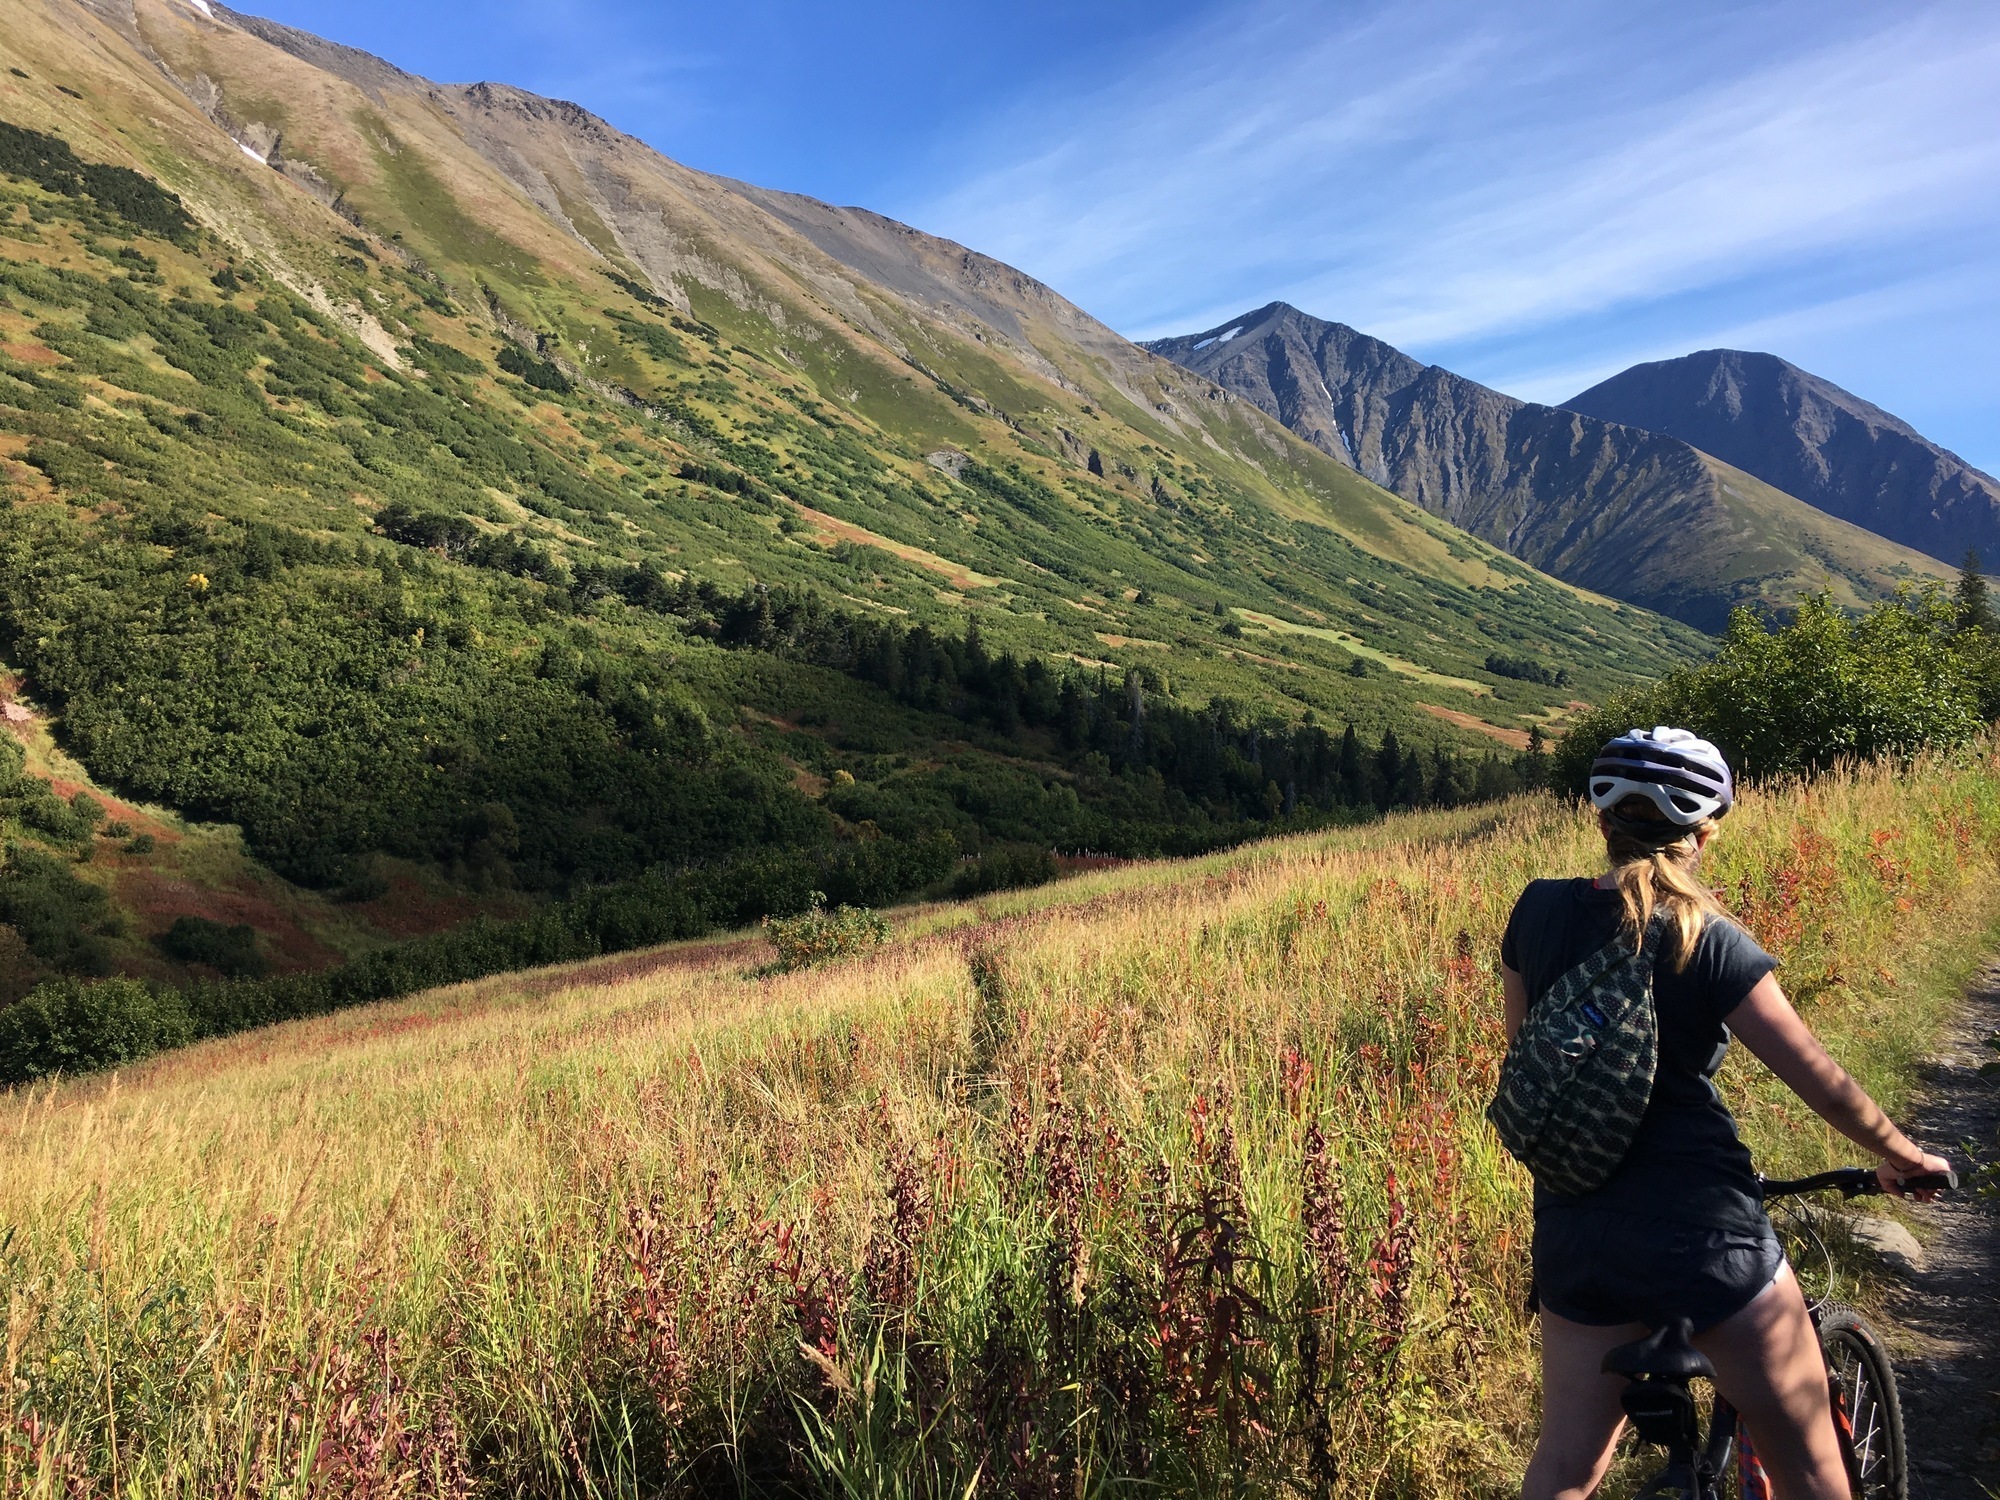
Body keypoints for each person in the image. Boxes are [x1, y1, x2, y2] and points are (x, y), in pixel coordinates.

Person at [1504, 727, 1950, 1500]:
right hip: (1706, 1236)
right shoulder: (1708, 939)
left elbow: (1529, 1065)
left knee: (1566, 1468)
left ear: (1601, 821)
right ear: (1705, 830)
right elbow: (1819, 1080)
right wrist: (1904, 1157)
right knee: (1812, 1470)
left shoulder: (1537, 912)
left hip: (1577, 1234)